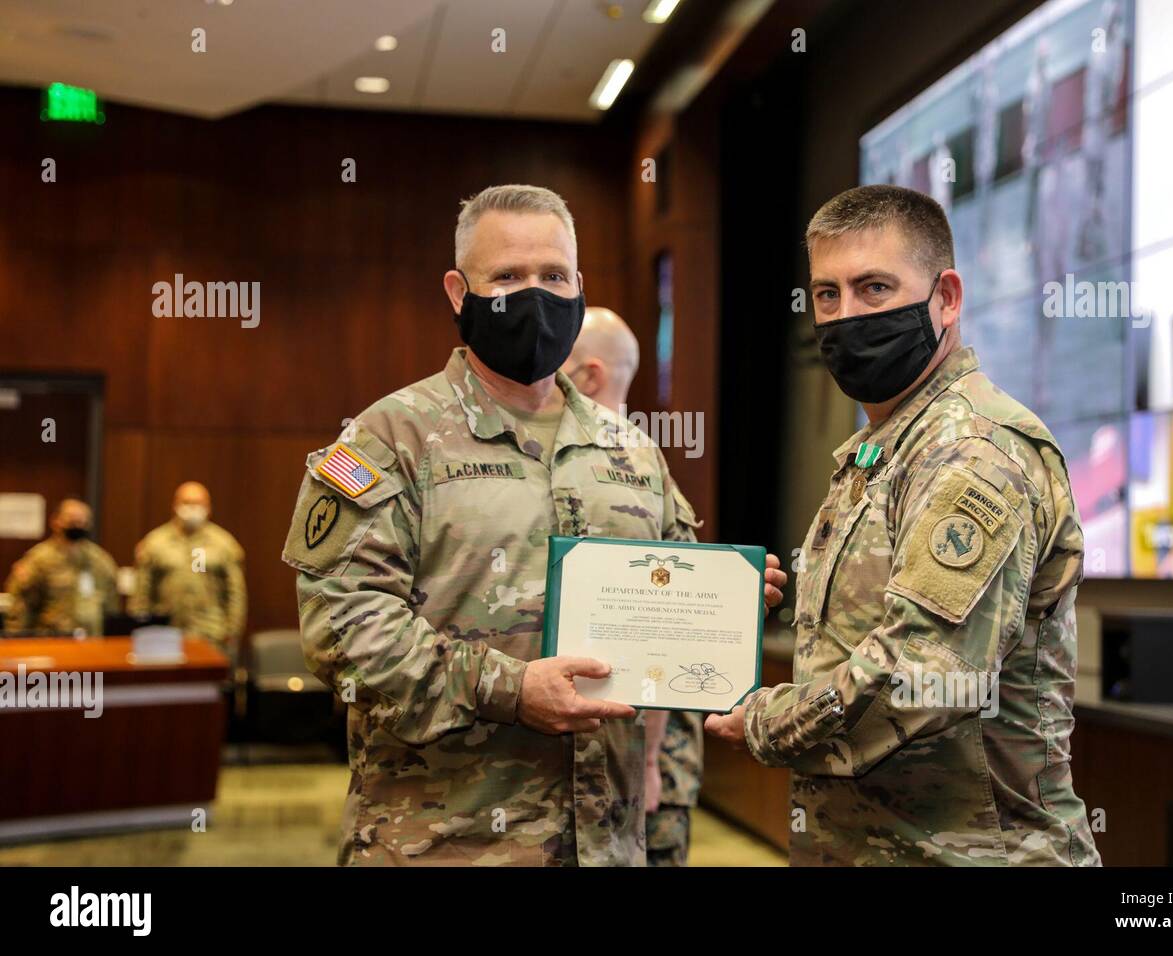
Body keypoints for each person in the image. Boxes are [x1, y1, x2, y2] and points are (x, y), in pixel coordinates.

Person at [282, 184, 783, 866]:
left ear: (579, 285)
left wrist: (722, 608)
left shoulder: (630, 450)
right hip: (443, 844)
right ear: (459, 293)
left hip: (606, 844)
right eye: (508, 278)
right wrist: (509, 690)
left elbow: (672, 595)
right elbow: (341, 631)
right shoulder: (388, 440)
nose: (535, 296)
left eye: (553, 276)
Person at [706, 184, 1100, 867]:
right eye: (827, 295)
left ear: (945, 297)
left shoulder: (973, 451)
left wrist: (769, 722)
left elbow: (920, 676)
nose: (845, 315)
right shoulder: (882, 452)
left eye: (875, 288)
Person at [561, 307, 705, 868]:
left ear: (591, 375)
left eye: (562, 366)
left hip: (646, 744)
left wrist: (647, 758)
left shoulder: (640, 466)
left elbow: (672, 626)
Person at [132, 481, 247, 651]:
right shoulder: (154, 543)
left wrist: (232, 631)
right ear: (175, 505)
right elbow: (141, 592)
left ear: (208, 507)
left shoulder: (224, 544)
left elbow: (235, 593)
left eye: (198, 503)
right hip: (166, 634)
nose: (192, 508)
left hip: (211, 634)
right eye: (186, 502)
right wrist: (140, 628)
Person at [4, 498, 119, 635]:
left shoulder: (100, 561)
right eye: (72, 519)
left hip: (92, 641)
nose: (77, 525)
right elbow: (21, 607)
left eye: (83, 520)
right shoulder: (38, 560)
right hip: (52, 640)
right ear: (56, 521)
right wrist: (17, 641)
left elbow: (111, 608)